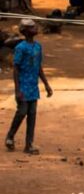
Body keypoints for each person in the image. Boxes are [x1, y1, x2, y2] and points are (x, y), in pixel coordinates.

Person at [5, 18, 52, 154]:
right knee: (22, 112)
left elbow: (39, 67)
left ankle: (29, 144)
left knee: (32, 115)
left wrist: (46, 84)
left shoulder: (38, 47)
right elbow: (16, 68)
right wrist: (17, 89)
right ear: (25, 31)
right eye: (31, 27)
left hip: (33, 86)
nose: (35, 28)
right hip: (23, 86)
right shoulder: (20, 48)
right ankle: (10, 136)